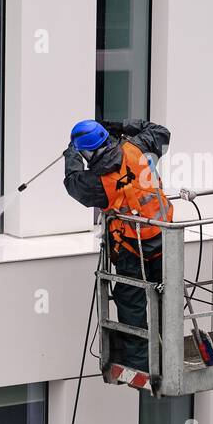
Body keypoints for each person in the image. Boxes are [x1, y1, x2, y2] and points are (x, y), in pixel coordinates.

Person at [63, 117, 172, 381]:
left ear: (87, 152)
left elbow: (72, 183)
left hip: (133, 248)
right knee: (165, 297)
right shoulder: (136, 147)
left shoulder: (98, 181)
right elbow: (161, 132)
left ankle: (139, 363)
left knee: (131, 301)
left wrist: (71, 154)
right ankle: (166, 354)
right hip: (164, 235)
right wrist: (119, 124)